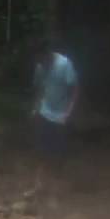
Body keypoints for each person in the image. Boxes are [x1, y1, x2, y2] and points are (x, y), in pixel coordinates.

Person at [29, 48, 79, 196]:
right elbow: (39, 88)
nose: (39, 63)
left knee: (58, 152)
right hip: (45, 112)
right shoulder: (40, 65)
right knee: (41, 150)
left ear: (47, 54)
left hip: (61, 115)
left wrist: (69, 112)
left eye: (41, 59)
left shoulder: (64, 64)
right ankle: (39, 186)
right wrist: (35, 108)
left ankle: (56, 189)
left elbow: (75, 89)